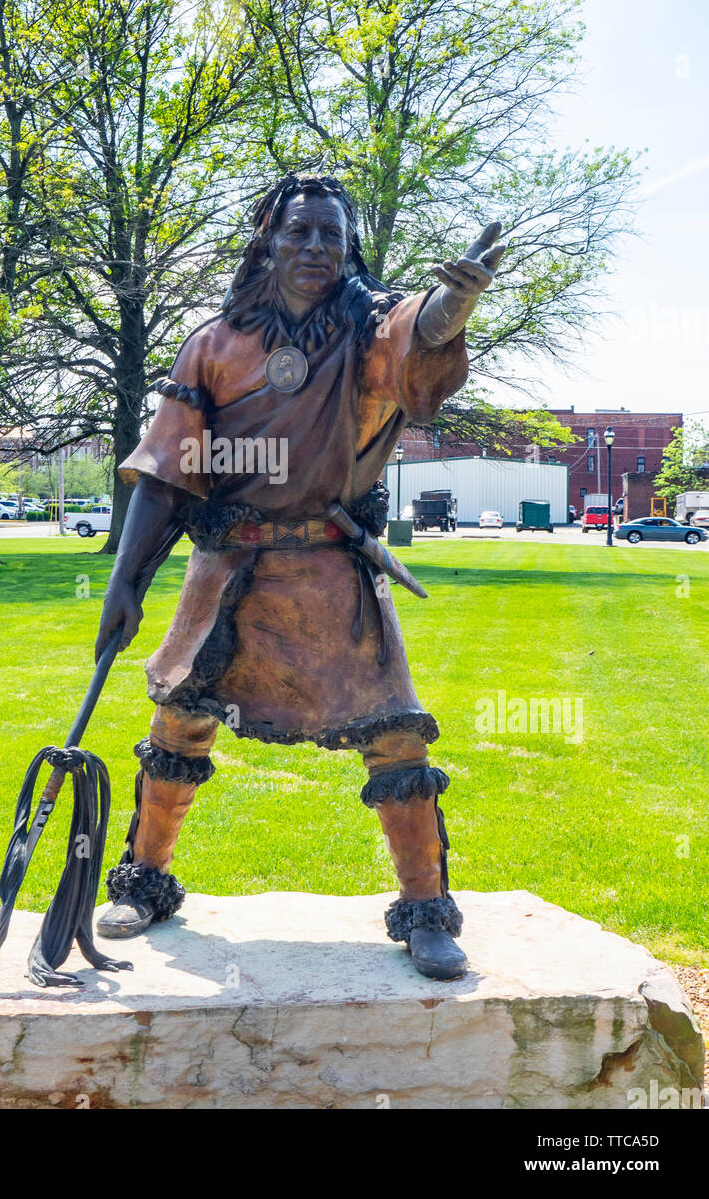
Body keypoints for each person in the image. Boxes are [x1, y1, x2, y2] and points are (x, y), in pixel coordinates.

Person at [93, 172, 504, 979]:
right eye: (299, 231)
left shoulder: (368, 328)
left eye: (330, 234)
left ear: (349, 246)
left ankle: (425, 909)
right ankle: (144, 881)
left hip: (333, 572)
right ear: (268, 241)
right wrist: (124, 583)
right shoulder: (213, 344)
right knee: (178, 724)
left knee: (393, 733)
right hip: (230, 571)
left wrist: (453, 304)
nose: (314, 247)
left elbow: (416, 338)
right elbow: (170, 472)